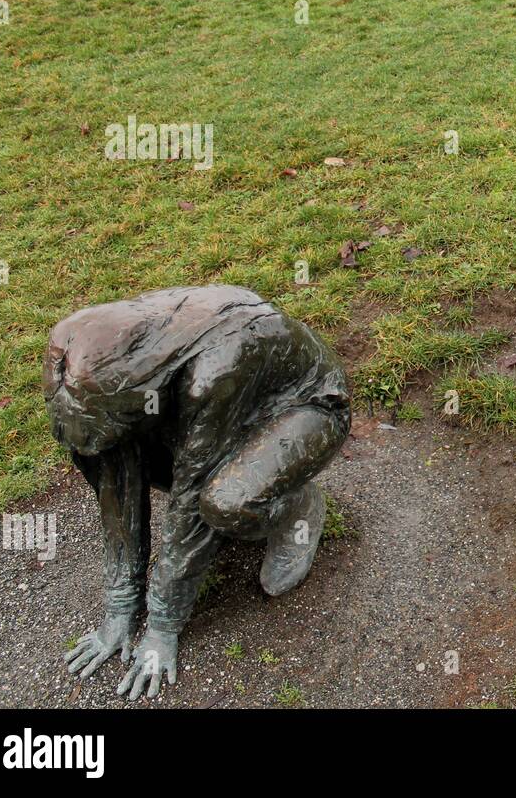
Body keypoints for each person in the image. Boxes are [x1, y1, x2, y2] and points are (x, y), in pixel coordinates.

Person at [45, 286, 351, 700]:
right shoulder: (85, 349)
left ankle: (295, 505)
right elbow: (114, 476)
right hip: (211, 409)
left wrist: (162, 625)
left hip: (304, 409)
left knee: (222, 503)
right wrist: (120, 607)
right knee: (107, 449)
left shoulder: (216, 370)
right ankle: (249, 477)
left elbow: (190, 501)